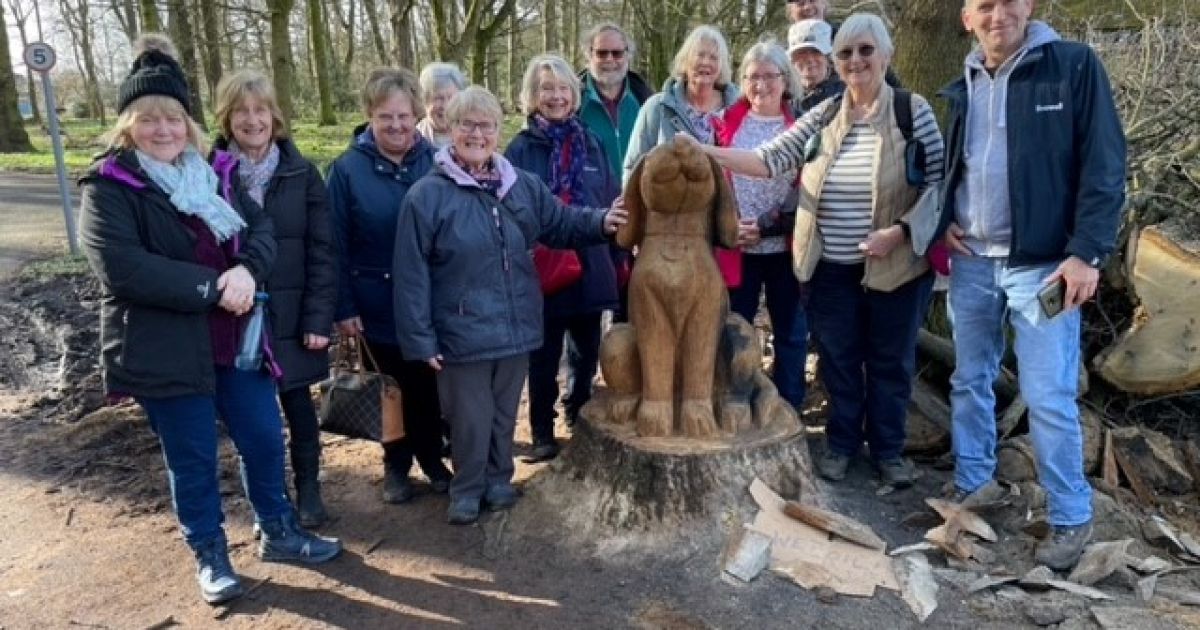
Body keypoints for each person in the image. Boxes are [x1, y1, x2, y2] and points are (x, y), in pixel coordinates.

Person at [78, 44, 339, 606]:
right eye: (149, 119)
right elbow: (124, 268)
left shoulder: (216, 177)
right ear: (129, 127)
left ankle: (279, 531)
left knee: (265, 440)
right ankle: (211, 554)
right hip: (165, 350)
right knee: (194, 458)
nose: (163, 129)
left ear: (189, 125)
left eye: (173, 118)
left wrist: (248, 266)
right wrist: (215, 286)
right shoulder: (109, 186)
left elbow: (263, 229)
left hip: (234, 342)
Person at [680, 13, 945, 488]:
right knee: (839, 360)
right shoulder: (824, 116)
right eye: (846, 53)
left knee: (890, 362)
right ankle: (842, 445)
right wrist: (704, 152)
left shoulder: (912, 110)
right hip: (831, 270)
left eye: (865, 50)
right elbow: (767, 160)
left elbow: (938, 184)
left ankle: (887, 452)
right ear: (835, 62)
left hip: (896, 266)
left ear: (885, 55)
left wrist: (901, 232)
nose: (856, 60)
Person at [937, 0, 1126, 570]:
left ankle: (1070, 515)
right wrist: (946, 215)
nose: (999, 14)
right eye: (983, 5)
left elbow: (1105, 164)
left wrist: (1085, 253)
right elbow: (962, 164)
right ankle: (974, 487)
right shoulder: (963, 82)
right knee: (969, 379)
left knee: (1047, 395)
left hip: (1044, 267)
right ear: (967, 18)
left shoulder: (1070, 66)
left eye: (1008, 1)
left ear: (1031, 6)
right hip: (972, 261)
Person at [393, 86, 627, 525]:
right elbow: (411, 275)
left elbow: (560, 223)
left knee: (503, 415)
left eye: (486, 125)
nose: (477, 134)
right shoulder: (427, 195)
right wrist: (420, 339)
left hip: (517, 324)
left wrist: (601, 221)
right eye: (467, 124)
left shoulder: (521, 185)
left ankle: (499, 481)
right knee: (468, 419)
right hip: (461, 329)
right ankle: (467, 489)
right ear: (450, 128)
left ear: (498, 132)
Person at [211, 70, 336, 529]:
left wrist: (319, 317)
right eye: (241, 111)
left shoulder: (302, 173)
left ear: (274, 116)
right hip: (238, 315)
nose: (252, 119)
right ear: (227, 119)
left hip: (296, 310)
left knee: (299, 406)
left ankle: (309, 489)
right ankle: (272, 500)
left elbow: (323, 250)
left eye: (260, 109)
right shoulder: (208, 175)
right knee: (252, 416)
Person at [327, 68, 452, 504]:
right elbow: (334, 245)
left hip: (428, 301)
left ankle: (433, 460)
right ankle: (396, 464)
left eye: (403, 116)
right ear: (370, 117)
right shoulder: (346, 170)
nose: (396, 126)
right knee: (390, 389)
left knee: (429, 386)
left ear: (416, 113)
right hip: (374, 301)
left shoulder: (437, 160)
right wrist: (342, 308)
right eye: (385, 118)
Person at [505, 54, 621, 461]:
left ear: (574, 94)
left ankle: (578, 414)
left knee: (585, 351)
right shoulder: (520, 149)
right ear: (532, 97)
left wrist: (618, 257)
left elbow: (611, 199)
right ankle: (541, 430)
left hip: (589, 262)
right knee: (543, 355)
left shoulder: (591, 142)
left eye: (562, 89)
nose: (555, 97)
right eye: (546, 89)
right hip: (542, 268)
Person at [716, 41, 807, 411]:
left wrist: (770, 228)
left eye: (770, 76)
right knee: (735, 330)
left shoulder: (802, 128)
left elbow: (807, 192)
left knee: (790, 332)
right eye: (753, 77)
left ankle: (787, 407)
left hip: (785, 248)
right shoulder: (725, 124)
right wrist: (728, 226)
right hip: (738, 248)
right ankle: (735, 401)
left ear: (786, 80)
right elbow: (713, 184)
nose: (761, 85)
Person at [577, 23, 653, 323]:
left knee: (635, 307)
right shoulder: (573, 101)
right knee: (586, 319)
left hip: (640, 216)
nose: (609, 60)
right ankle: (585, 370)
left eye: (617, 52)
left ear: (628, 56)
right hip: (590, 218)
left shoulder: (647, 100)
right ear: (588, 56)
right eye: (601, 53)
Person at [623, 25, 740, 183]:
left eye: (713, 57)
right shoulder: (657, 107)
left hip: (726, 206)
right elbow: (633, 168)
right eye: (699, 55)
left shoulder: (738, 110)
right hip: (666, 204)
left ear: (722, 65)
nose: (706, 62)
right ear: (685, 61)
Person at [787, 19, 844, 115]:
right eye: (802, 52)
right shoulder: (783, 97)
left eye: (816, 51)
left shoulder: (847, 94)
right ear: (792, 59)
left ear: (828, 56)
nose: (809, 59)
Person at [416, 62, 468, 149]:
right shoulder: (413, 139)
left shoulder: (473, 136)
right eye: (438, 98)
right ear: (424, 101)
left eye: (451, 98)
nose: (445, 106)